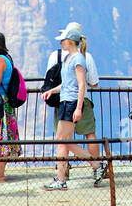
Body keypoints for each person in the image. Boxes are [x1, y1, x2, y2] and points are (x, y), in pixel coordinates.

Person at [42, 24, 106, 190]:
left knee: (62, 141)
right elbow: (66, 84)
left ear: (70, 41)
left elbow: (81, 84)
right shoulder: (67, 59)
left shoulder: (78, 59)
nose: (61, 42)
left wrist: (78, 108)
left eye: (63, 40)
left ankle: (94, 166)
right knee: (64, 142)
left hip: (71, 103)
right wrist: (51, 91)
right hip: (65, 101)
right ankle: (63, 178)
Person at [0, 32, 19, 183]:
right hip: (5, 104)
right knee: (3, 137)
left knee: (1, 137)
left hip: (0, 104)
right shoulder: (7, 58)